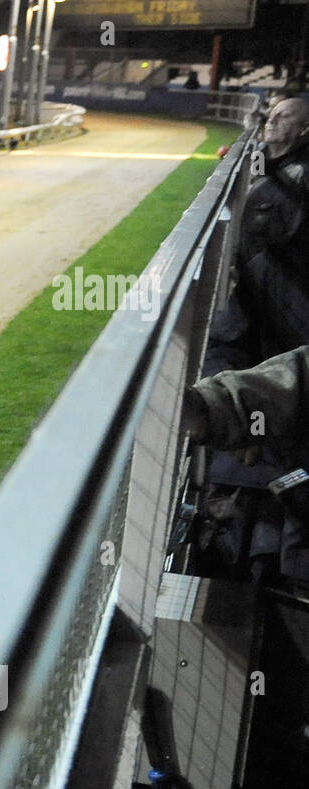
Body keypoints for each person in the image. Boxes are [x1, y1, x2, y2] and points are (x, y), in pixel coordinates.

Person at [195, 97, 309, 588]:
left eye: (282, 119)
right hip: (265, 373)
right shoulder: (271, 180)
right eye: (271, 116)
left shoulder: (282, 189)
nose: (270, 124)